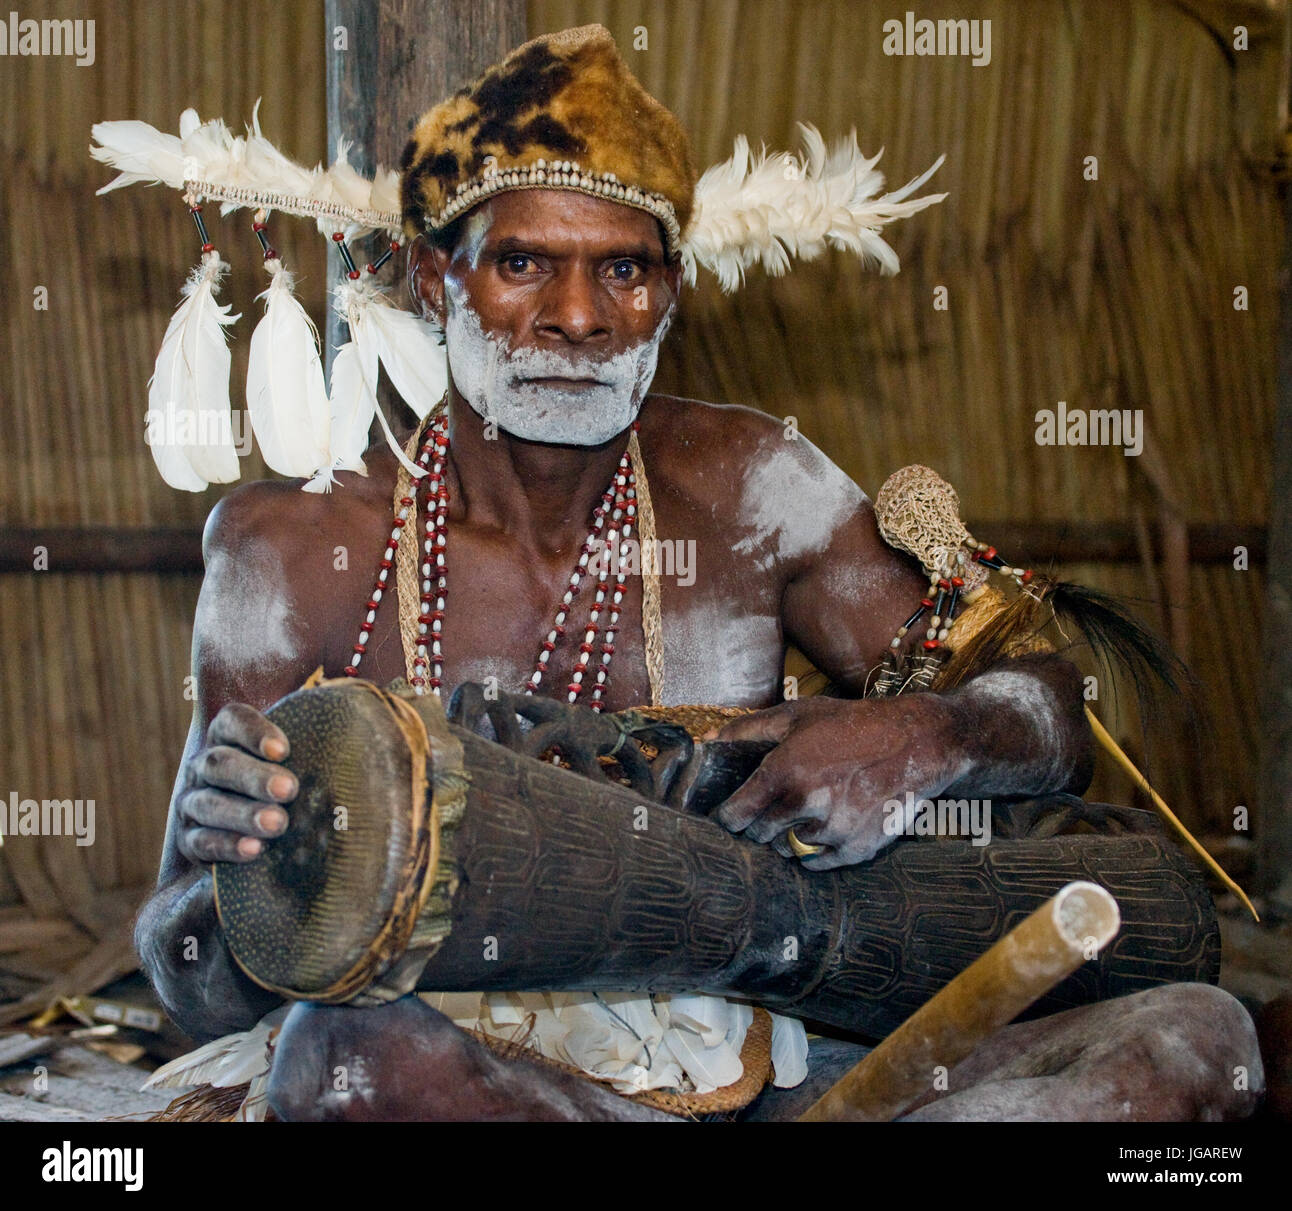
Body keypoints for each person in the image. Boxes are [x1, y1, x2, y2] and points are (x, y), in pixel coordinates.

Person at [134, 25, 1262, 1121]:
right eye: (522, 263)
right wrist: (252, 873)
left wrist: (928, 735)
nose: (576, 319)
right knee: (342, 1062)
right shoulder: (290, 551)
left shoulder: (754, 486)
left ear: (670, 291)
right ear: (438, 282)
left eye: (622, 269)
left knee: (1194, 1037)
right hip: (472, 1078)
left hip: (766, 1059)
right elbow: (181, 959)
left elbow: (1051, 711)